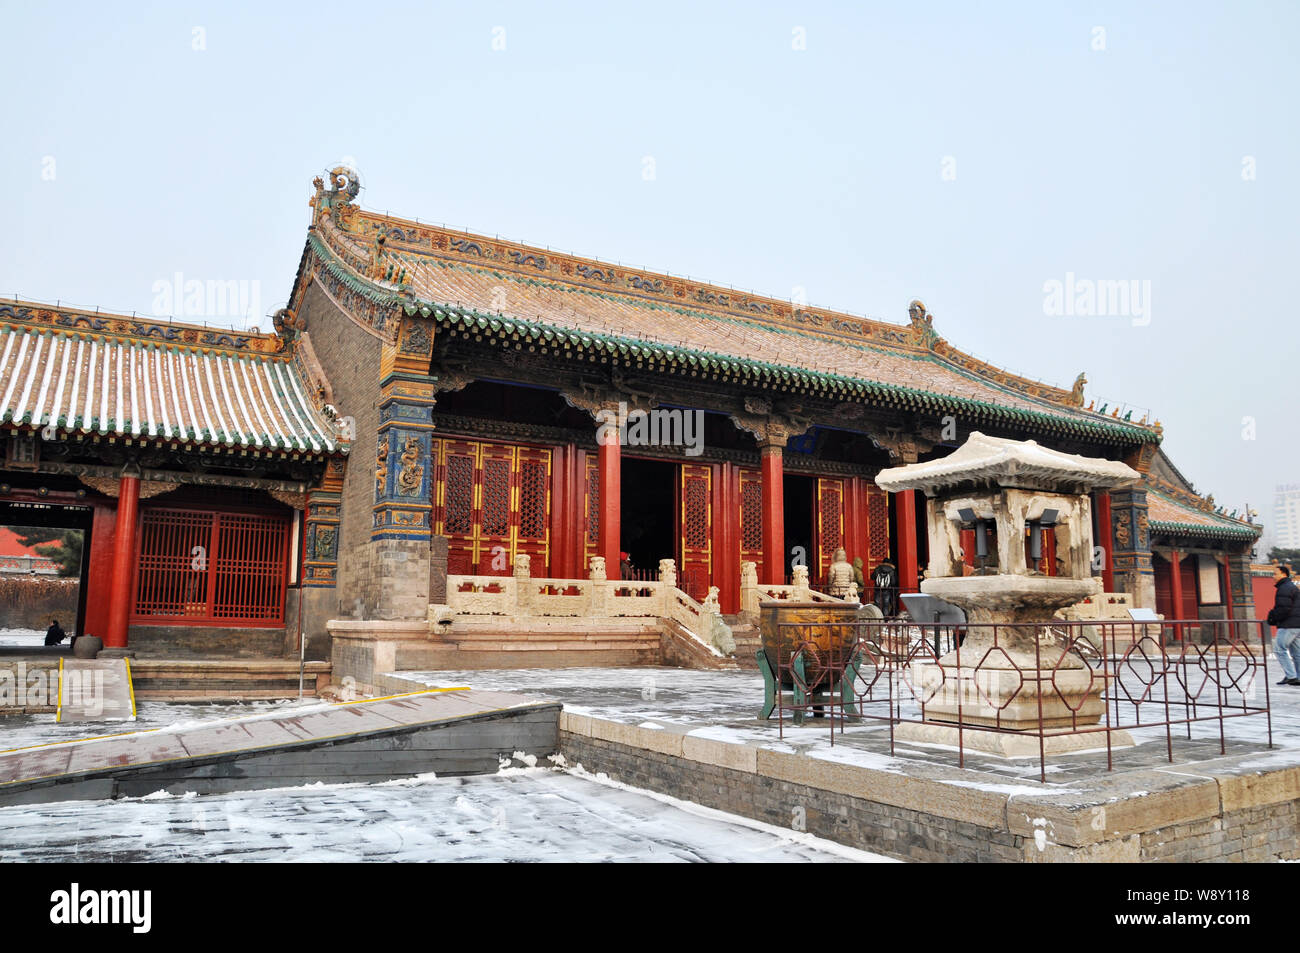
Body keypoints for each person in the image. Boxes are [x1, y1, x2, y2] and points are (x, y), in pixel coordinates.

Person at [1266, 564, 1300, 686]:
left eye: (1275, 574)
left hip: (1288, 625)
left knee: (1279, 649)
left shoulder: (1284, 588)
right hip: (1297, 625)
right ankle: (1297, 676)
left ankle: (1291, 676)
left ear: (1283, 574)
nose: (1273, 577)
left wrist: (1273, 618)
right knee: (1296, 653)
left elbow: (1284, 608)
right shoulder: (1292, 587)